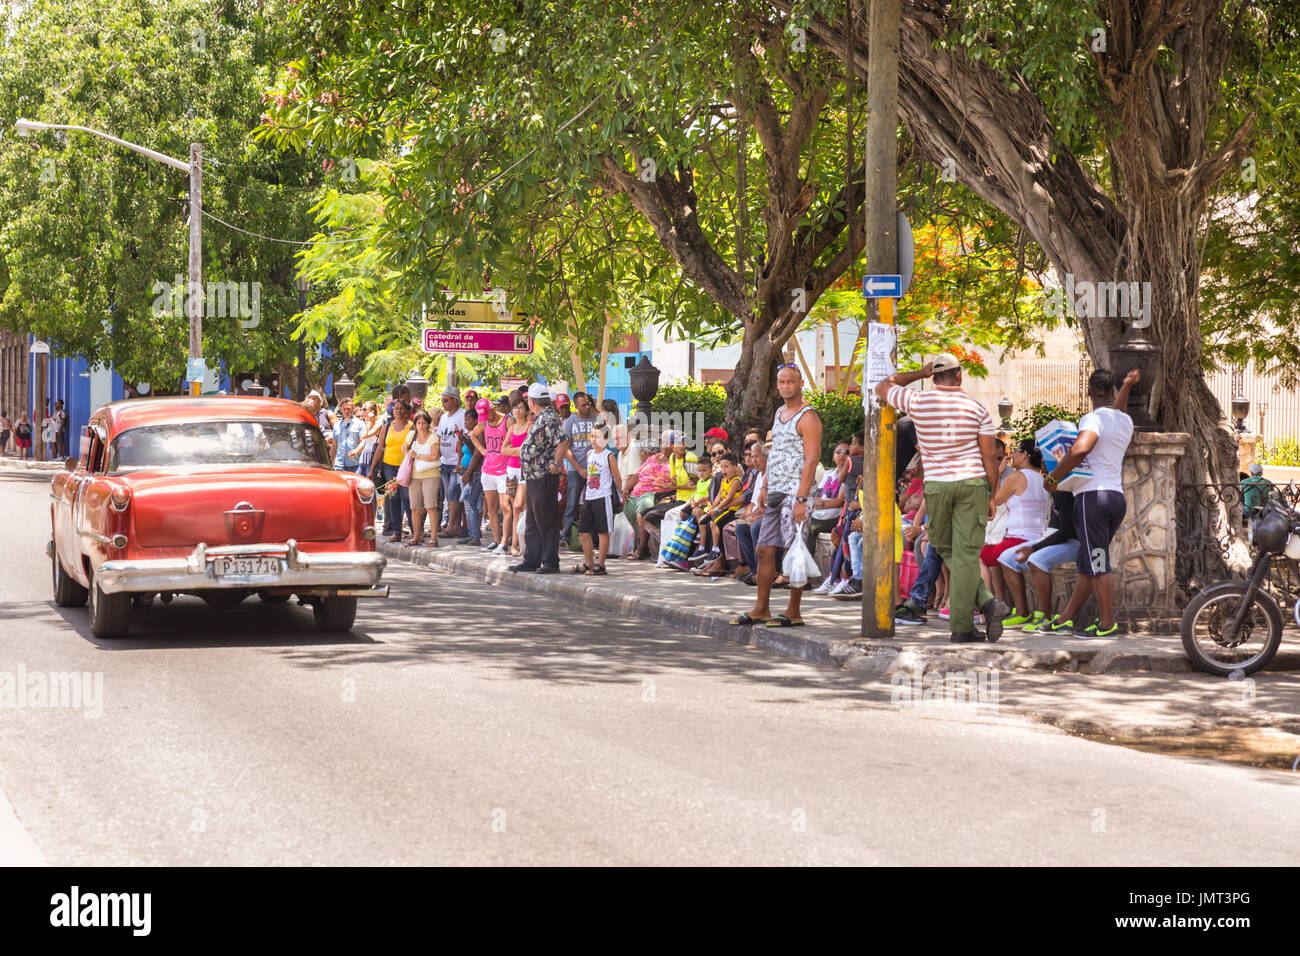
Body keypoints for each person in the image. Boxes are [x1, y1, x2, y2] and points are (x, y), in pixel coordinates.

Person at [876, 353, 1009, 643]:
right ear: (959, 375)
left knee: (947, 547)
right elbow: (989, 457)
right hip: (972, 484)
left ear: (934, 377)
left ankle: (979, 610)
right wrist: (991, 495)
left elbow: (883, 385)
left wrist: (919, 374)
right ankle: (977, 611)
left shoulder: (919, 402)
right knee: (963, 553)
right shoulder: (977, 408)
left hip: (937, 486)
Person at [1044, 369, 1139, 638]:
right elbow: (1118, 408)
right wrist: (1128, 386)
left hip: (1092, 498)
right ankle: (1066, 618)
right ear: (1111, 392)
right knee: (1089, 560)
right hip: (1114, 498)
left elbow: (1081, 448)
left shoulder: (1092, 418)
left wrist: (1053, 477)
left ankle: (1107, 624)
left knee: (1098, 562)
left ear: (1089, 393)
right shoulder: (1124, 421)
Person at [731, 365, 822, 629]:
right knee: (764, 548)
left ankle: (794, 611)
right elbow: (777, 453)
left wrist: (802, 499)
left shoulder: (809, 417)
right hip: (775, 490)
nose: (785, 386)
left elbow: (812, 460)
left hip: (796, 492)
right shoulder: (780, 412)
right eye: (781, 382)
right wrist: (764, 486)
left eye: (790, 382)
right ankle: (761, 608)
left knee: (794, 551)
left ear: (801, 383)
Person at [986, 438, 1050, 626]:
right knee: (994, 555)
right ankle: (1002, 603)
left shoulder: (1016, 477)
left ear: (1024, 455)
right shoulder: (1042, 478)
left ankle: (993, 605)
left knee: (978, 555)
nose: (1011, 454)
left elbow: (995, 500)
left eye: (1015, 450)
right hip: (1036, 536)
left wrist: (997, 474)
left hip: (1018, 538)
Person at [998, 488, 1080, 632]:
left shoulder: (1067, 492)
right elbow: (1054, 528)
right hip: (1058, 539)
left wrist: (1035, 548)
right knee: (1006, 558)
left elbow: (1067, 531)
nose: (1043, 473)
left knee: (1036, 560)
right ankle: (1022, 613)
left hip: (1074, 543)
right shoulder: (1055, 492)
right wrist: (1038, 543)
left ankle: (1044, 618)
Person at [511, 383, 569, 573]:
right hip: (533, 476)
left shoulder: (549, 417)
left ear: (532, 401)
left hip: (543, 475)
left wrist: (556, 463)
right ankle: (532, 558)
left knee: (545, 519)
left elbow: (562, 440)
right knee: (532, 520)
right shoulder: (542, 417)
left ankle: (550, 561)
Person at [574, 423, 622, 575]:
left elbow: (617, 478)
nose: (593, 440)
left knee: (603, 531)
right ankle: (589, 562)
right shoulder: (590, 454)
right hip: (589, 496)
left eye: (598, 437)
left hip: (603, 496)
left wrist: (622, 494)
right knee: (583, 531)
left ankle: (600, 564)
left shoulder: (608, 456)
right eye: (592, 436)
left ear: (606, 440)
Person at [369, 397, 413, 542]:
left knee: (407, 498)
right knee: (393, 498)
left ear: (406, 411)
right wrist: (372, 468)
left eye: (401, 408)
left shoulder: (411, 427)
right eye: (396, 408)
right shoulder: (386, 427)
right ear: (392, 411)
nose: (398, 411)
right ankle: (396, 531)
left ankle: (414, 530)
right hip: (389, 467)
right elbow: (380, 448)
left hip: (405, 468)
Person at [561, 391, 600, 544]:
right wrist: (579, 468)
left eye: (588, 403)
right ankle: (566, 535)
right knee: (572, 502)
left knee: (595, 503)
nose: (587, 406)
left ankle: (595, 537)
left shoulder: (596, 419)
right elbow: (565, 448)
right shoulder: (570, 422)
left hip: (595, 469)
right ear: (576, 406)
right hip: (575, 469)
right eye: (583, 404)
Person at [695, 452, 743, 576]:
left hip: (731, 510)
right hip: (722, 508)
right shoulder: (723, 480)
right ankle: (703, 549)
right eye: (722, 467)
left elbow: (728, 499)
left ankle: (715, 550)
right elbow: (718, 496)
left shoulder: (735, 481)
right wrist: (713, 507)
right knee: (703, 521)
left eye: (726, 467)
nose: (723, 470)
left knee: (714, 523)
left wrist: (717, 510)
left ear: (735, 467)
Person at [403, 409, 440, 547]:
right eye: (418, 423)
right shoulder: (411, 435)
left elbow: (434, 456)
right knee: (414, 507)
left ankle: (434, 538)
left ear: (428, 424)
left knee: (431, 506)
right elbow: (404, 448)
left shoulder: (433, 437)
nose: (421, 426)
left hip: (431, 474)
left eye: (424, 423)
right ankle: (417, 536)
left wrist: (417, 455)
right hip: (414, 474)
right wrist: (408, 452)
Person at [479, 397, 511, 552]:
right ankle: (496, 540)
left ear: (492, 409)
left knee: (505, 506)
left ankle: (505, 541)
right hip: (488, 470)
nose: (486, 419)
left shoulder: (507, 421)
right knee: (491, 506)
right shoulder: (483, 421)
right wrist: (482, 450)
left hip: (503, 471)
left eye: (488, 415)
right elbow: (473, 435)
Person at [435, 387, 467, 538]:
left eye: (446, 400)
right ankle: (456, 525)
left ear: (455, 400)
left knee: (453, 493)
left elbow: (465, 437)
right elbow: (440, 437)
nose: (443, 403)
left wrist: (461, 460)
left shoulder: (463, 415)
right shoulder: (443, 417)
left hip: (457, 461)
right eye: (442, 400)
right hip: (444, 461)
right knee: (451, 495)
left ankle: (451, 526)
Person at [501, 397, 530, 556]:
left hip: (524, 470)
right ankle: (515, 544)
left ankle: (523, 543)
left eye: (520, 407)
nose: (517, 410)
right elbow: (503, 450)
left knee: (521, 507)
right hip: (511, 470)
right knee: (515, 509)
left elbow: (527, 451)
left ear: (526, 410)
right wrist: (518, 450)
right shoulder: (512, 428)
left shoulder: (529, 427)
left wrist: (515, 450)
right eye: (515, 408)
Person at [459, 407, 485, 546]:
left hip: (474, 472)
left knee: (471, 503)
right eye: (465, 419)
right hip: (466, 470)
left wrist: (468, 473)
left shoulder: (478, 434)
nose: (466, 422)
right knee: (467, 504)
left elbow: (477, 455)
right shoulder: (470, 434)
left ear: (476, 420)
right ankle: (472, 533)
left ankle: (475, 535)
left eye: (469, 419)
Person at [330, 398, 364, 472]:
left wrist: (356, 451)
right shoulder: (336, 425)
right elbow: (334, 445)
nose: (346, 411)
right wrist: (330, 461)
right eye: (344, 409)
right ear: (341, 409)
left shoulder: (360, 424)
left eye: (348, 409)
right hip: (339, 465)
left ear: (353, 409)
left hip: (354, 465)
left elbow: (363, 441)